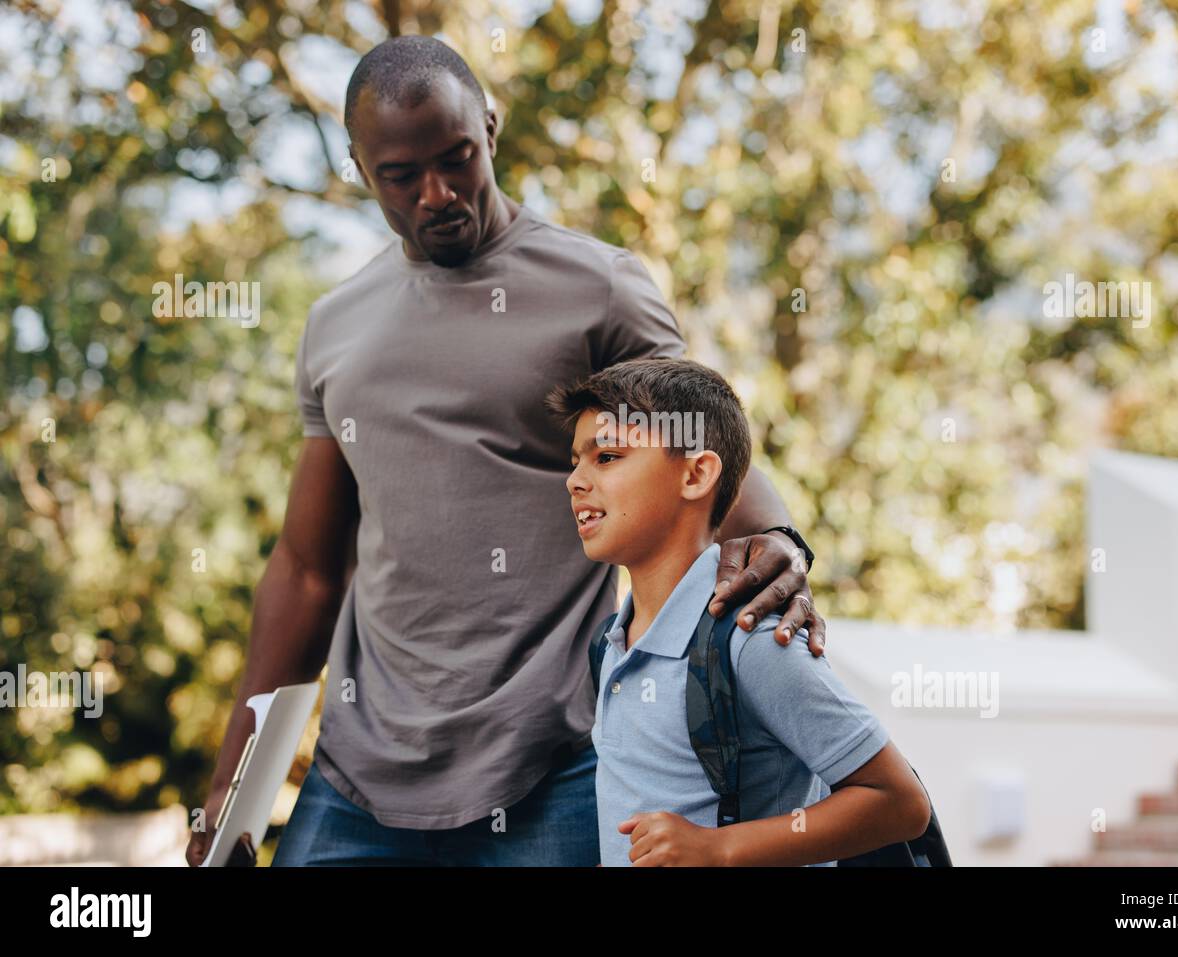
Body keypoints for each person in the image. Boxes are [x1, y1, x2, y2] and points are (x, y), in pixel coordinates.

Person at [186, 36, 827, 867]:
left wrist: (778, 539)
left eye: (456, 158)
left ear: (490, 126)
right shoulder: (335, 326)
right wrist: (230, 785)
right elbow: (307, 569)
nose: (438, 194)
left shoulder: (596, 288)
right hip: (358, 775)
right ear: (358, 166)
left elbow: (696, 443)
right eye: (401, 175)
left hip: (553, 765)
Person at [546, 358, 931, 866]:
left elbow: (899, 802)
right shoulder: (611, 643)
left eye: (608, 456)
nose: (575, 480)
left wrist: (717, 848)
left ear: (696, 474)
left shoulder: (750, 641)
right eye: (576, 461)